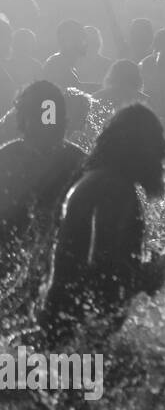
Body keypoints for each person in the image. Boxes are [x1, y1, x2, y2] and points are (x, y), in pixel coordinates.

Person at [38, 104, 165, 347]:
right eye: (156, 139)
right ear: (137, 147)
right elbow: (103, 271)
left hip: (62, 324)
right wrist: (151, 277)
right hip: (74, 334)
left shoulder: (100, 179)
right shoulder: (114, 189)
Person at [0, 83, 88, 316]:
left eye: (49, 117)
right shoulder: (6, 159)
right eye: (38, 117)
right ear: (24, 119)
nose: (45, 125)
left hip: (58, 266)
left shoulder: (77, 162)